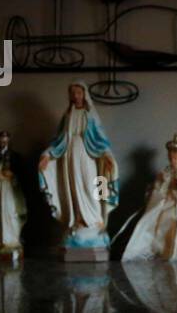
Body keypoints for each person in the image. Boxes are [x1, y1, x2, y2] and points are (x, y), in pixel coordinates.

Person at [38, 83, 120, 257]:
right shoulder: (67, 115)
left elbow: (100, 139)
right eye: (73, 93)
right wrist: (46, 155)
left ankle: (95, 220)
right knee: (74, 190)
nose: (76, 95)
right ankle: (78, 220)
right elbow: (59, 140)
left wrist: (107, 155)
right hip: (69, 157)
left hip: (88, 155)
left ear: (84, 93)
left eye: (79, 92)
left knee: (92, 187)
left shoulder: (90, 115)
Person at [0, 130, 26, 259]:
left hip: (10, 190)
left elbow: (23, 174)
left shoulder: (16, 157)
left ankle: (13, 241)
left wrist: (13, 175)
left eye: (5, 141)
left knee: (11, 213)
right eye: (1, 141)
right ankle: (0, 241)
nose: (3, 143)